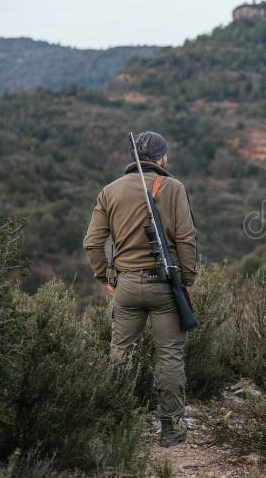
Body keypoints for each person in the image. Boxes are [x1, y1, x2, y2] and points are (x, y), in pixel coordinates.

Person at [83, 131, 197, 447]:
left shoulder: (110, 191)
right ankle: (171, 430)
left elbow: (92, 242)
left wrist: (104, 277)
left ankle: (114, 428)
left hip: (128, 285)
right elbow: (186, 239)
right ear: (161, 158)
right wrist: (185, 280)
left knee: (120, 356)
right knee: (170, 357)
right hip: (165, 287)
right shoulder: (173, 188)